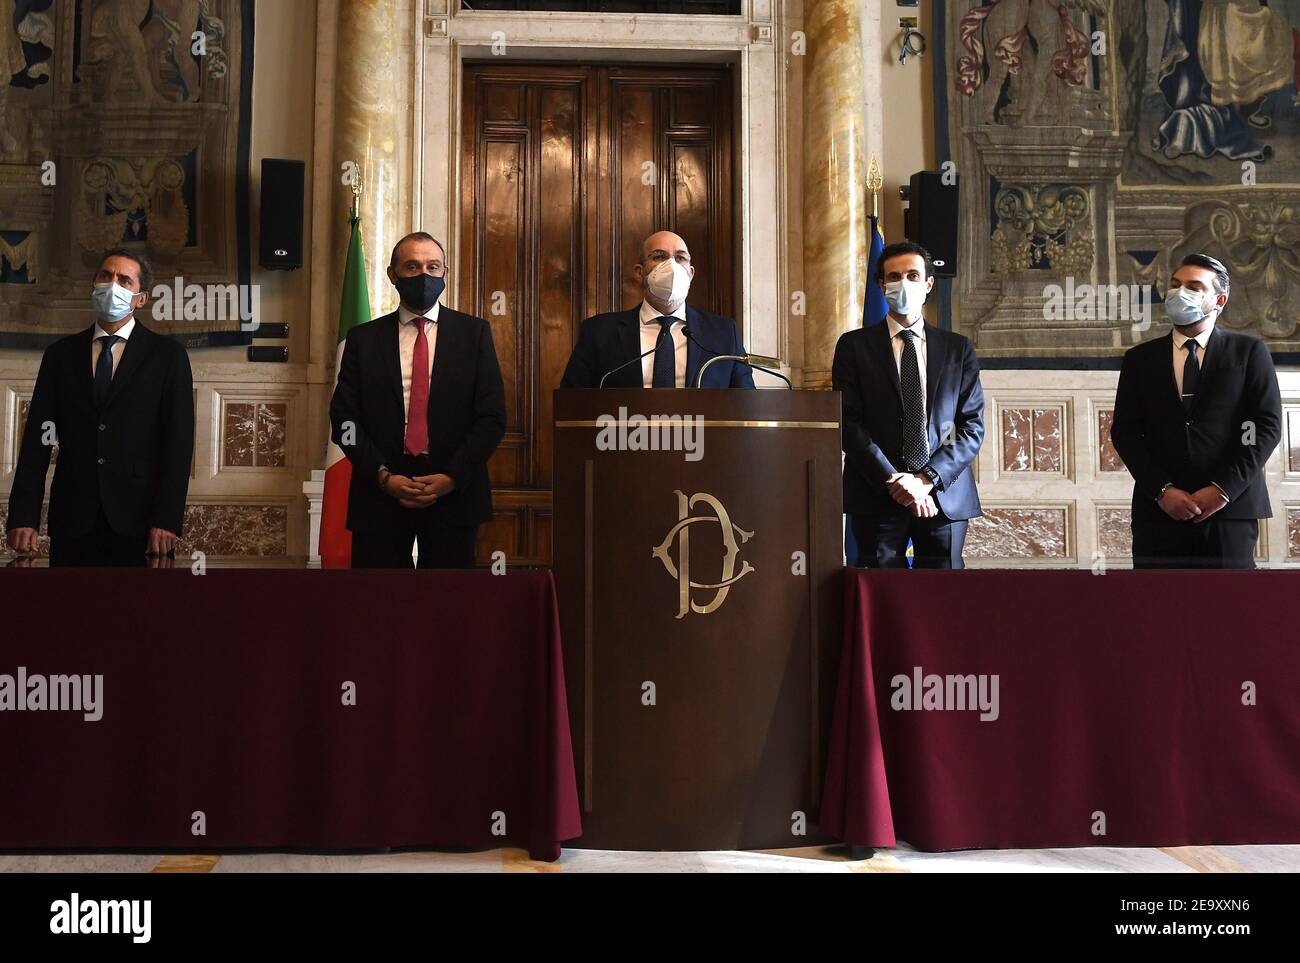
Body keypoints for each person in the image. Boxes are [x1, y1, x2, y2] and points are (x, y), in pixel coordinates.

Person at [5, 248, 194, 566]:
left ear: (141, 298)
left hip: (141, 524)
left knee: (138, 616)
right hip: (73, 521)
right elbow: (38, 440)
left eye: (124, 279)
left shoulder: (167, 357)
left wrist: (167, 518)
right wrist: (24, 515)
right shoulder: (60, 356)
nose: (112, 285)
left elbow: (178, 446)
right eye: (105, 276)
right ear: (93, 284)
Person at [329, 232, 506, 569]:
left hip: (454, 492)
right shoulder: (363, 339)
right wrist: (383, 476)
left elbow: (492, 417)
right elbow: (344, 420)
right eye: (412, 267)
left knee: (447, 608)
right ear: (392, 275)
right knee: (379, 607)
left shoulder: (474, 334)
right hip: (379, 493)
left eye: (432, 266)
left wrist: (451, 477)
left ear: (445, 273)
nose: (424, 275)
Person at [1110, 253, 1281, 569]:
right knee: (1158, 611)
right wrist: (1162, 491)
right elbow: (1126, 432)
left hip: (1229, 512)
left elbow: (1264, 428)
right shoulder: (1139, 359)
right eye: (1175, 284)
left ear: (1219, 299)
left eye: (1193, 286)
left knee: (1229, 611)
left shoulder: (1249, 352)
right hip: (1159, 513)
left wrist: (1222, 489)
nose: (1179, 292)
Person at [832, 242, 985, 569]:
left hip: (943, 498)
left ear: (928, 284)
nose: (903, 283)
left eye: (913, 275)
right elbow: (848, 423)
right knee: (879, 599)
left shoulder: (958, 349)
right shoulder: (853, 347)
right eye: (894, 276)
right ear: (880, 285)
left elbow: (969, 428)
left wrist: (925, 479)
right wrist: (897, 481)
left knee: (943, 604)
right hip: (876, 495)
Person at [560, 231, 756, 389]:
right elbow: (572, 403)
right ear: (639, 272)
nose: (671, 266)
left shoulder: (723, 333)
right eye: (659, 257)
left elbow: (744, 406)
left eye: (680, 258)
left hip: (702, 439)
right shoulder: (599, 332)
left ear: (691, 273)